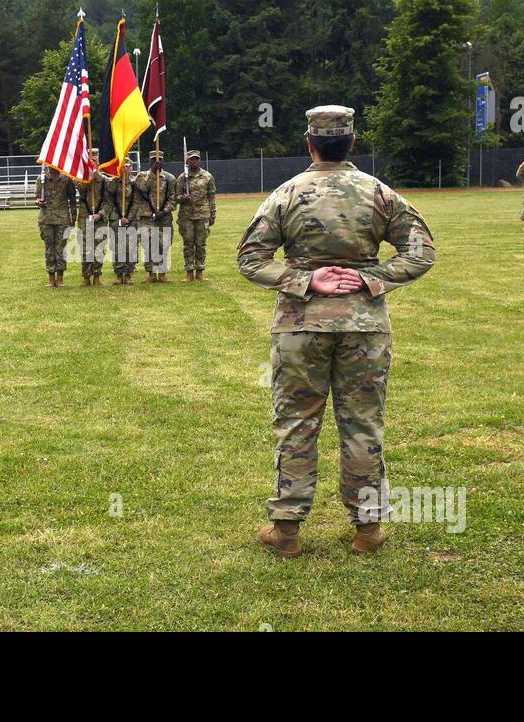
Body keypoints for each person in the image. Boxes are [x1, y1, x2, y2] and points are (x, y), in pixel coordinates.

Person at [238, 105, 435, 558]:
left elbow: (251, 259)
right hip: (364, 327)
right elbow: (421, 250)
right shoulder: (378, 193)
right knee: (363, 424)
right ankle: (367, 529)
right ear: (351, 142)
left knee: (297, 424)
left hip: (300, 326)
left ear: (310, 143)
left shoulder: (286, 194)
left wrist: (305, 280)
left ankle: (286, 530)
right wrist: (371, 278)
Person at [132, 149, 178, 282]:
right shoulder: (142, 176)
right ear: (150, 161)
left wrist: (164, 210)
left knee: (164, 244)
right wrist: (153, 173)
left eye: (159, 160)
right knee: (148, 244)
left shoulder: (170, 178)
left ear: (163, 161)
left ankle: (162, 274)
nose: (156, 162)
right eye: (153, 160)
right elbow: (143, 188)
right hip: (147, 216)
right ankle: (151, 274)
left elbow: (173, 198)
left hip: (164, 217)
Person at [176, 149, 216, 281]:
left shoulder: (207, 177)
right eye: (191, 159)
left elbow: (211, 196)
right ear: (187, 161)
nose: (194, 161)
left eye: (196, 159)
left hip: (202, 215)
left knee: (200, 244)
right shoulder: (183, 177)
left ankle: (199, 271)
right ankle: (189, 271)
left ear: (200, 160)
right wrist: (183, 198)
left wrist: (212, 214)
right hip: (186, 216)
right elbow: (176, 196)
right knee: (188, 244)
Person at [75, 149, 114, 286]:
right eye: (89, 161)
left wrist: (101, 214)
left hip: (100, 220)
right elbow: (80, 189)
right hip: (85, 218)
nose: (93, 163)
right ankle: (86, 277)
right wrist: (88, 178)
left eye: (95, 161)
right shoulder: (80, 178)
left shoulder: (104, 181)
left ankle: (97, 276)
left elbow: (109, 202)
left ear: (98, 162)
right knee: (85, 248)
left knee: (98, 248)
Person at [35, 165, 77, 287]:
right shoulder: (41, 179)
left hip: (62, 219)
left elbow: (72, 199)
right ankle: (51, 277)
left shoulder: (67, 179)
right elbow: (37, 197)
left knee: (61, 249)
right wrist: (39, 202)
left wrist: (73, 218)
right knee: (49, 249)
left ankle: (60, 277)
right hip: (46, 218)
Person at [107, 166, 138, 285]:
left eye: (127, 167)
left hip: (131, 219)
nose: (125, 169)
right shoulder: (113, 182)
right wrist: (117, 177)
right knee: (117, 246)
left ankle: (129, 274)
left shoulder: (135, 183)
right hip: (116, 217)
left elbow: (137, 202)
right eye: (122, 167)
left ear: (131, 169)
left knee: (131, 246)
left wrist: (128, 217)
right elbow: (109, 194)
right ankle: (119, 274)